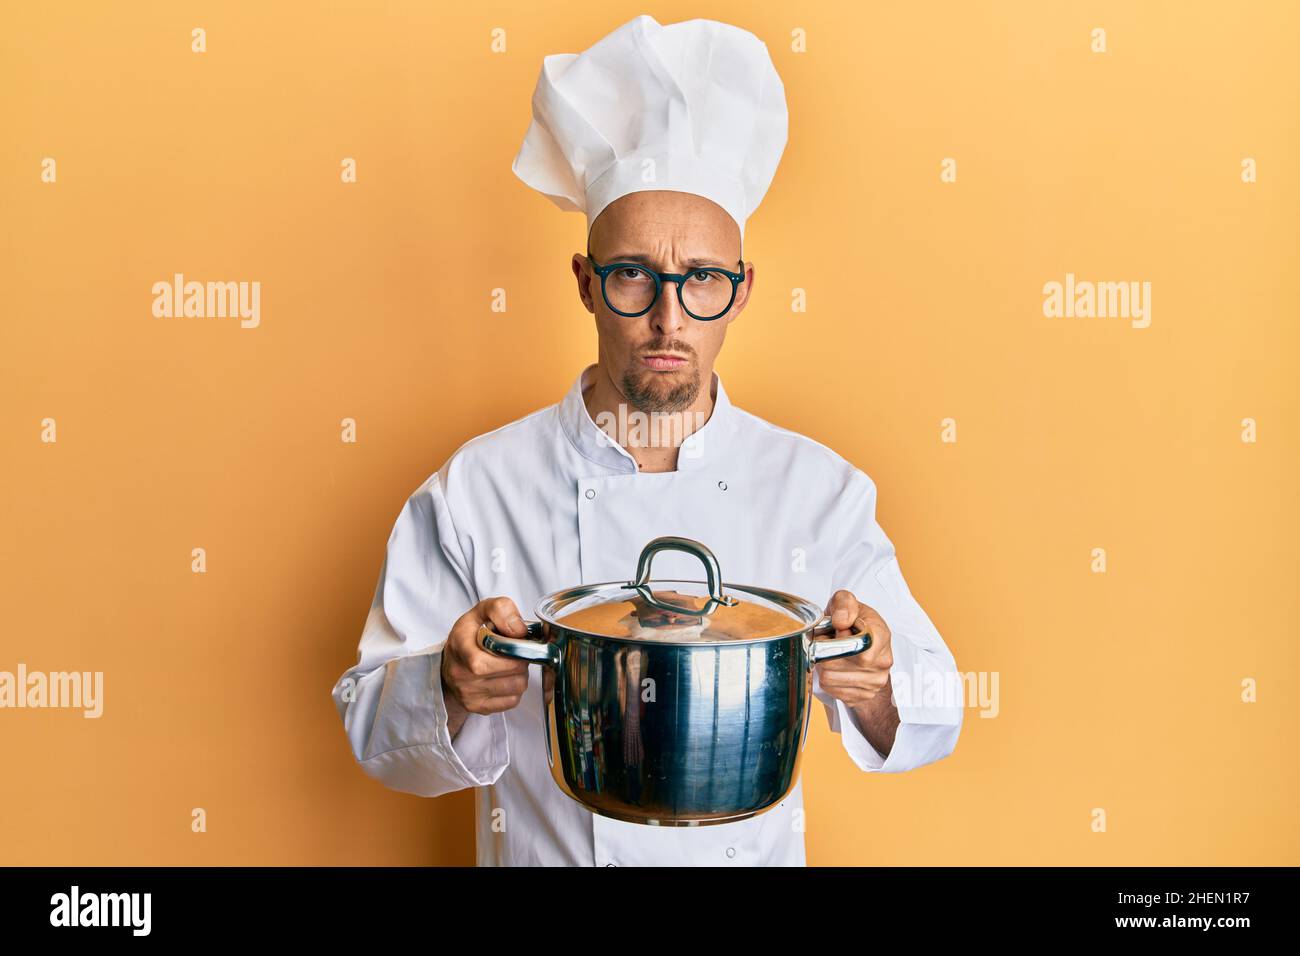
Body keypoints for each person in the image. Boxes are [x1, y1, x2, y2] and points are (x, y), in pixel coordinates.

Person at [330, 13, 962, 866]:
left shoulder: (819, 491)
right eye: (634, 275)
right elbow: (370, 729)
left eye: (701, 279)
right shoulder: (476, 488)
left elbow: (937, 709)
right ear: (587, 285)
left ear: (740, 294)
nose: (668, 318)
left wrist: (877, 684)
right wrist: (446, 684)